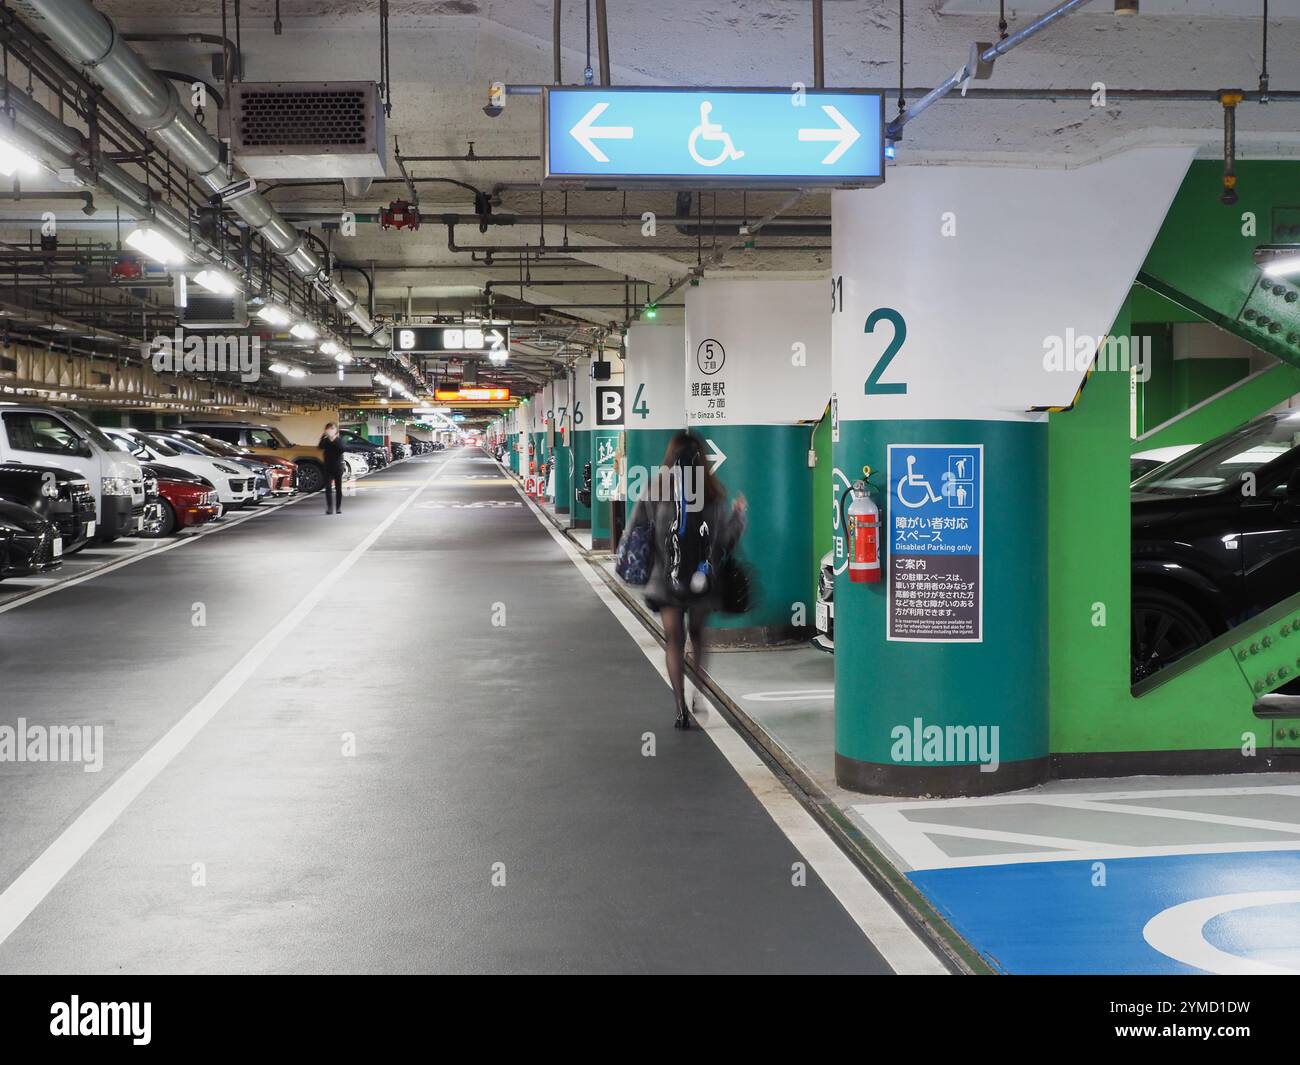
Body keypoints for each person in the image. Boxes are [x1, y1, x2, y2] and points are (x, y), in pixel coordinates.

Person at [623, 431, 746, 730]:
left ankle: (680, 709)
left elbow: (637, 531)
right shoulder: (712, 493)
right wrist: (739, 516)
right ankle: (698, 695)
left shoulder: (655, 488)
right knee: (699, 637)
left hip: (666, 584)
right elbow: (724, 542)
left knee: (674, 641)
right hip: (702, 582)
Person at [318, 422, 345, 514]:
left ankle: (338, 507)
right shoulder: (325, 441)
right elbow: (320, 446)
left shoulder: (339, 440)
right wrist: (324, 436)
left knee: (338, 488)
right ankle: (330, 507)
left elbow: (342, 449)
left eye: (332, 429)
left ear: (336, 430)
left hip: (338, 467)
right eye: (329, 429)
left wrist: (334, 439)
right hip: (327, 467)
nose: (331, 431)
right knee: (328, 488)